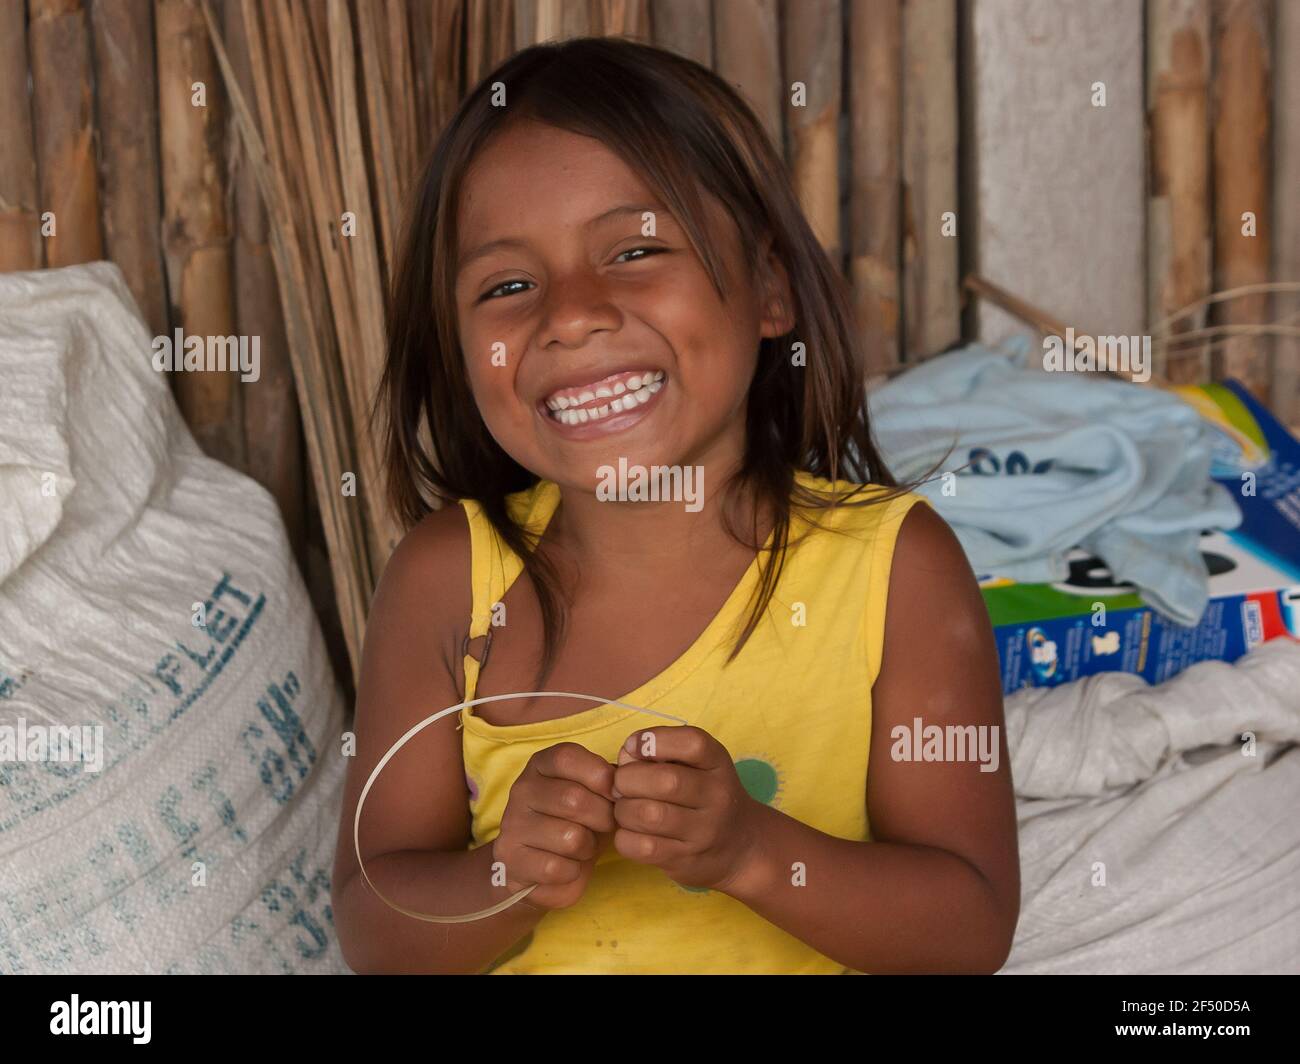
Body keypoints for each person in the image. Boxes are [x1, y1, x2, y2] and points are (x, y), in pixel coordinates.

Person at [331, 36, 1019, 975]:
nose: (570, 313)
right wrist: (504, 877)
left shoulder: (895, 569)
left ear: (770, 289)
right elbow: (375, 928)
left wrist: (754, 853)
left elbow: (968, 929)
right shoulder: (448, 579)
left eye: (636, 249)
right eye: (509, 285)